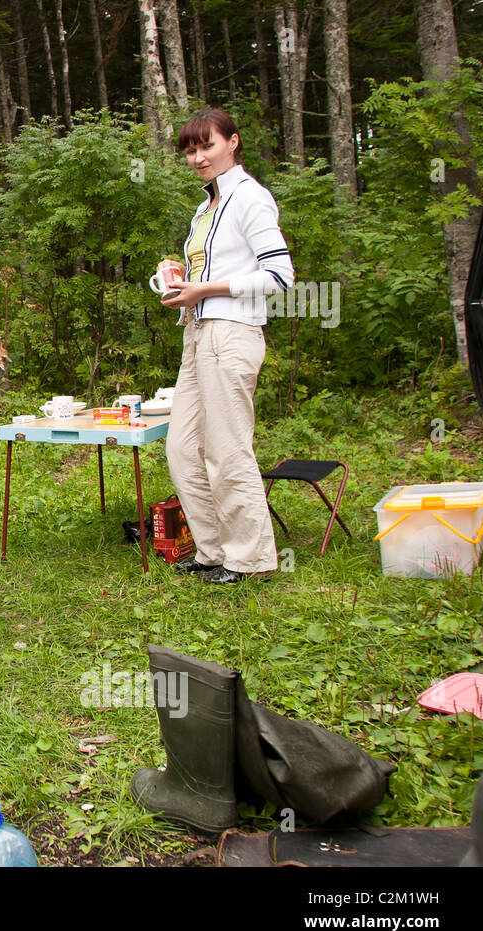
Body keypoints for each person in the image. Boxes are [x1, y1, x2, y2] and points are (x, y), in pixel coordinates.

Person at [156, 108, 293, 584]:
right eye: (190, 151)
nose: (197, 158)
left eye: (206, 146)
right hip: (197, 333)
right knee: (182, 447)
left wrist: (206, 288)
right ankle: (212, 551)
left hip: (231, 333)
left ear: (232, 142)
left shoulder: (250, 198)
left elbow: (277, 277)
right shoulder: (205, 208)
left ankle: (248, 559)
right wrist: (184, 281)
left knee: (227, 449)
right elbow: (212, 271)